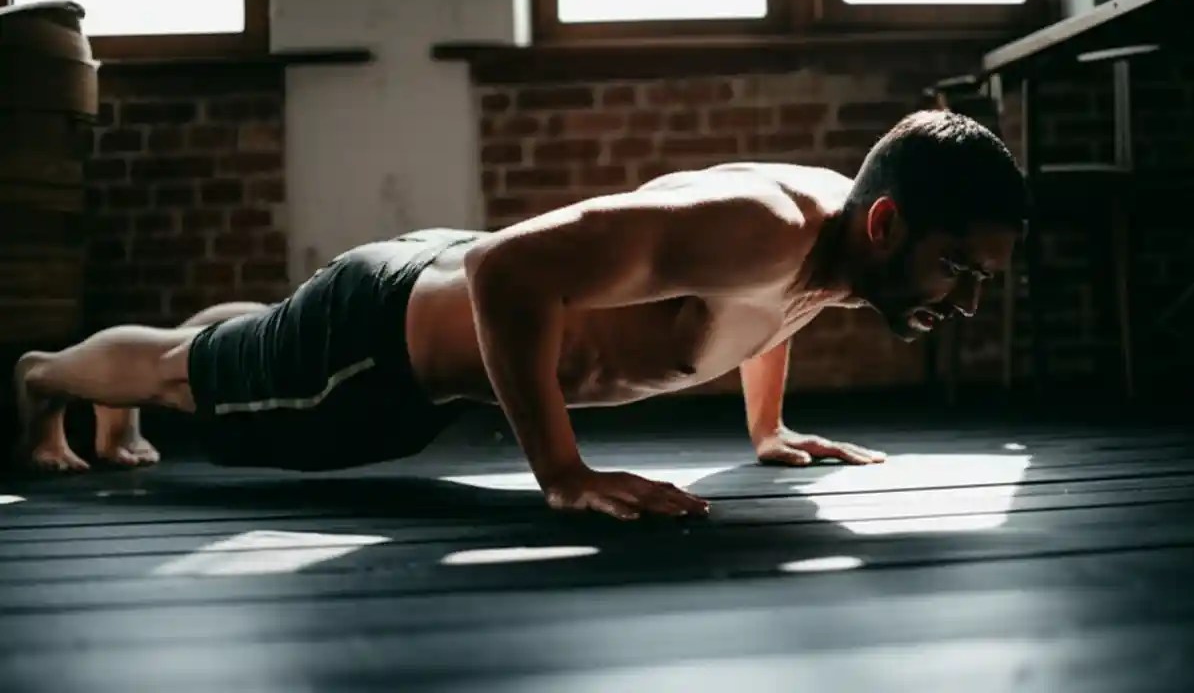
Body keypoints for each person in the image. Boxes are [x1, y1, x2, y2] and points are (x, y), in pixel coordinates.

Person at [10, 110, 1027, 521]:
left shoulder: (836, 240)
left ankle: (137, 393)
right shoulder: (763, 225)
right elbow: (506, 273)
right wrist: (564, 476)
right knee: (193, 373)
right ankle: (47, 381)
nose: (966, 297)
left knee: (239, 346)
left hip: (415, 312)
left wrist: (762, 430)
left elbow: (771, 311)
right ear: (888, 222)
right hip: (381, 354)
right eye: (957, 267)